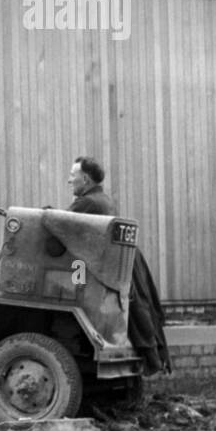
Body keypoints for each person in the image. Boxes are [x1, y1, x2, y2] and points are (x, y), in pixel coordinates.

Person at [61, 156, 170, 375]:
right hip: (127, 261)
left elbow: (63, 225)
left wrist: (46, 214)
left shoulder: (88, 202)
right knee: (140, 312)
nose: (69, 180)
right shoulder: (103, 199)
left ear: (85, 179)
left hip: (113, 266)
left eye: (73, 176)